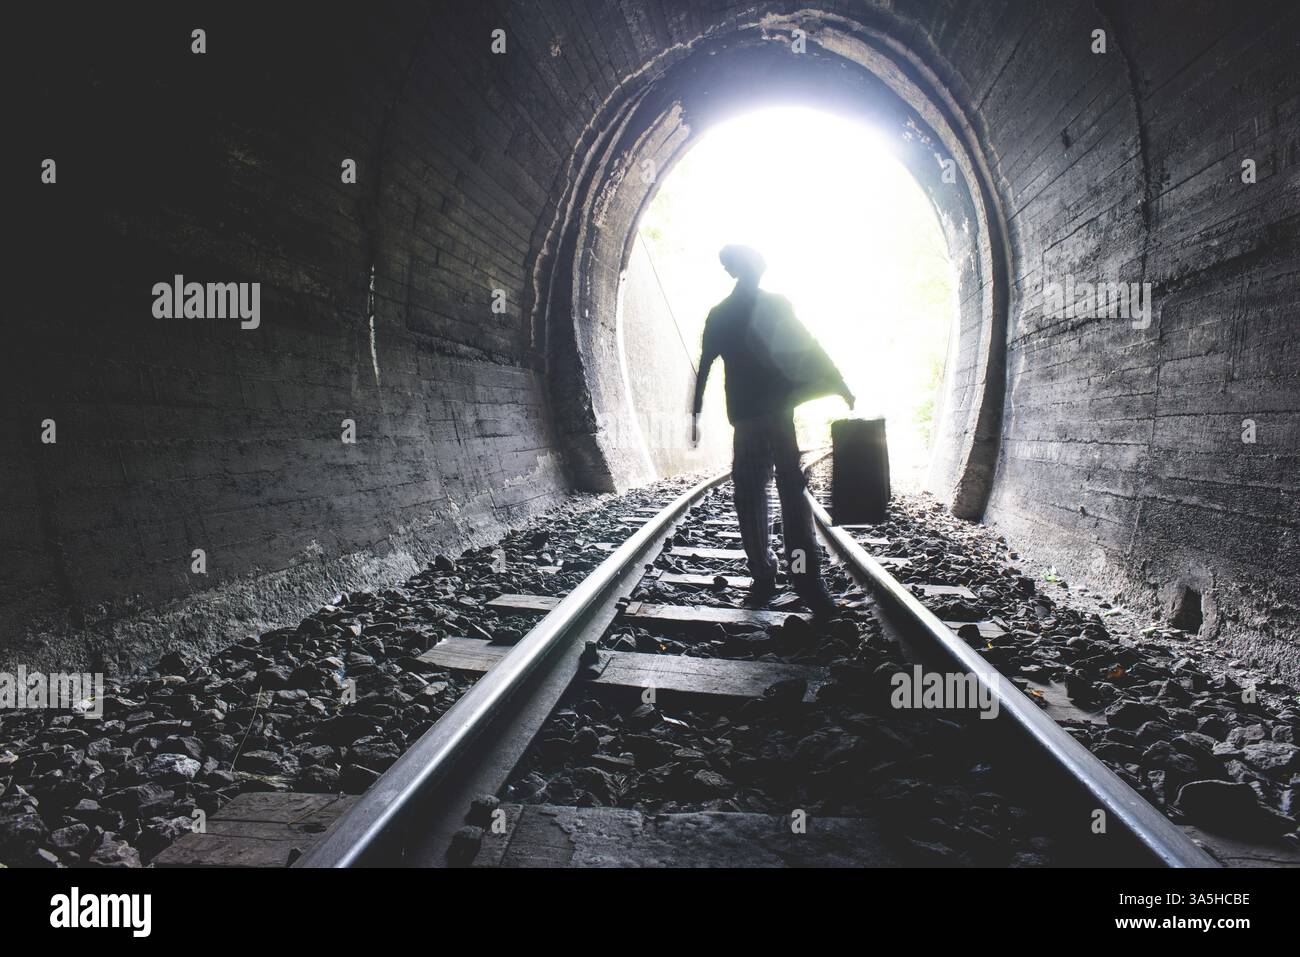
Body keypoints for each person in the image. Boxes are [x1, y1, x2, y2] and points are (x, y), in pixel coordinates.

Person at [691, 244, 854, 618]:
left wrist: (696, 412)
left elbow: (705, 366)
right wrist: (838, 383)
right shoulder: (763, 307)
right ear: (742, 269)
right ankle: (802, 579)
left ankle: (772, 576)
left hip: (751, 418)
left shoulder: (722, 313)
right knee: (788, 497)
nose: (758, 267)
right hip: (773, 416)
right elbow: (807, 348)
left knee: (753, 498)